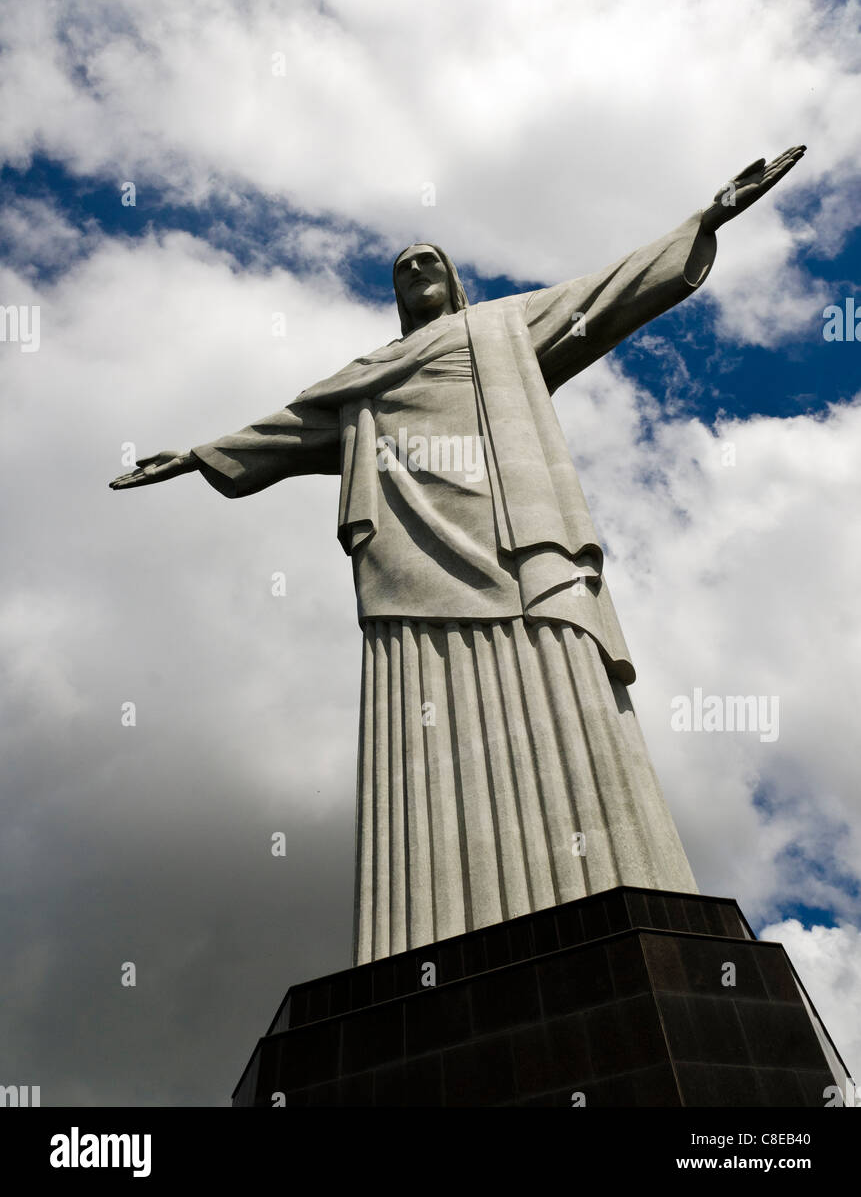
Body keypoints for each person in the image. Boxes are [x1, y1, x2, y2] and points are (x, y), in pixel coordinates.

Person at [111, 147, 806, 964]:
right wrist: (195, 455)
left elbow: (607, 293)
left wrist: (707, 217)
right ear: (397, 293)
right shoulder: (364, 378)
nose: (413, 268)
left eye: (427, 259)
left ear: (453, 278)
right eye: (402, 267)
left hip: (516, 538)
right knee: (422, 708)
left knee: (559, 674)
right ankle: (430, 923)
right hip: (412, 552)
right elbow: (283, 431)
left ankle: (609, 881)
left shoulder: (502, 328)